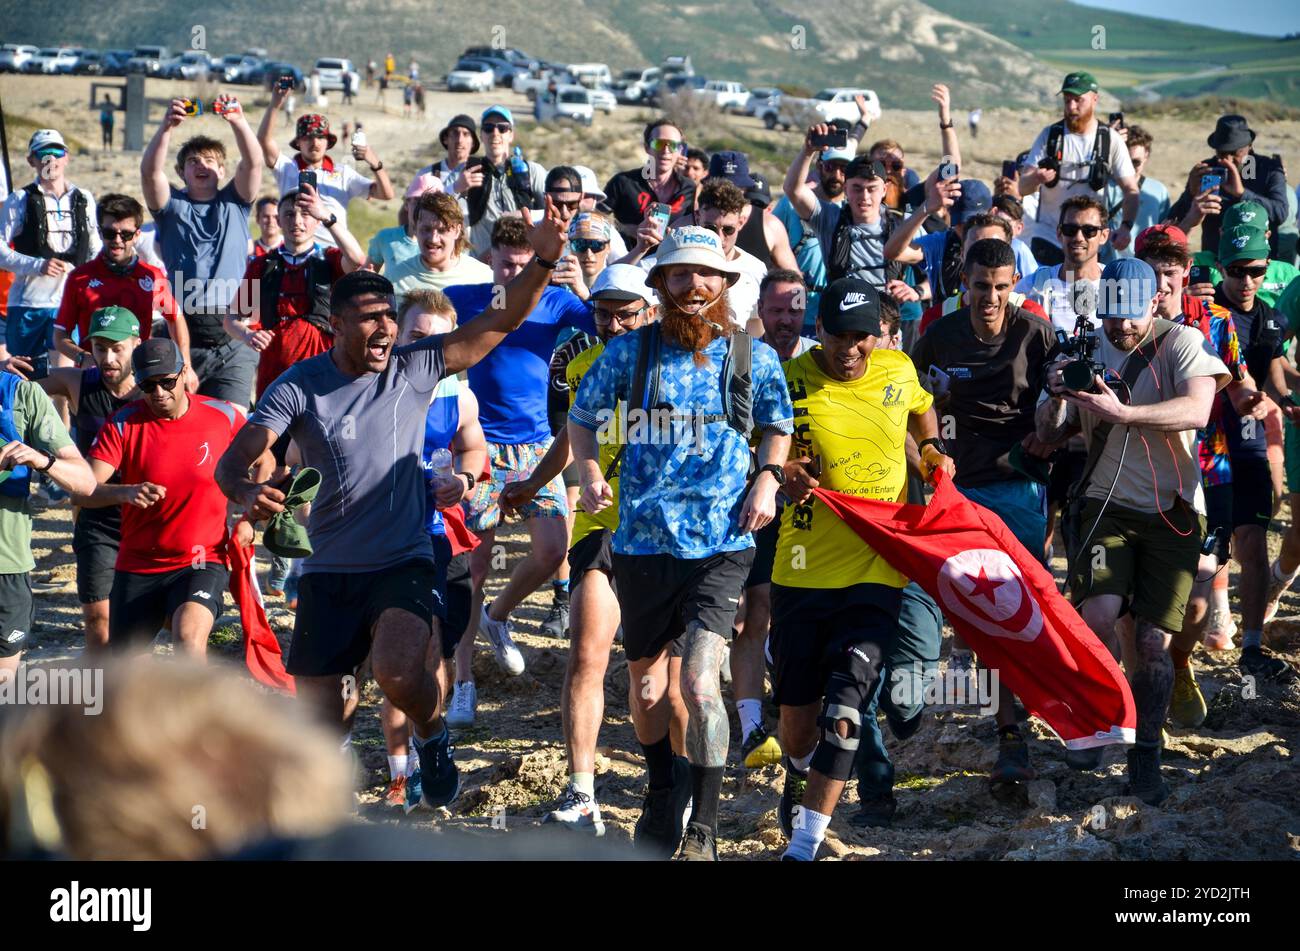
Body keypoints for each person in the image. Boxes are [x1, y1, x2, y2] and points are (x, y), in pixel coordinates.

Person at [213, 202, 571, 811]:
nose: (383, 329)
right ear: (336, 326)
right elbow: (236, 456)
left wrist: (543, 258)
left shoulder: (417, 366)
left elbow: (503, 317)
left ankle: (432, 737)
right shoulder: (299, 385)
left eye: (387, 316)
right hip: (327, 567)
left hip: (402, 558)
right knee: (322, 717)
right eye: (369, 319)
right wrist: (244, 490)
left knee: (399, 671)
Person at [569, 226, 794, 860]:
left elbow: (777, 426)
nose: (693, 286)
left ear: (724, 284)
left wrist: (768, 481)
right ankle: (661, 787)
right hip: (642, 540)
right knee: (646, 692)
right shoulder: (629, 353)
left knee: (699, 682)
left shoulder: (753, 357)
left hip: (723, 541)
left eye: (705, 275)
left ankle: (706, 826)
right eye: (679, 275)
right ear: (661, 285)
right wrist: (588, 473)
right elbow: (582, 422)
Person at [1036, 257, 1231, 803]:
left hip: (1171, 509)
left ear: (1153, 301)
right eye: (1110, 315)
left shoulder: (1182, 343)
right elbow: (1048, 432)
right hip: (1106, 505)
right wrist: (1056, 396)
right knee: (1095, 617)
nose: (1119, 327)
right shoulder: (1086, 349)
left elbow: (1198, 409)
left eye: (1129, 315)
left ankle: (1146, 752)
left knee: (1152, 641)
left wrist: (1122, 413)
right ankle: (1096, 723)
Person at [770, 278, 953, 860]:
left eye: (861, 337)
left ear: (877, 335)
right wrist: (785, 474)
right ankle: (798, 773)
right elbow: (767, 450)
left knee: (849, 704)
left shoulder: (898, 369)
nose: (849, 349)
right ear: (816, 330)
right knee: (798, 722)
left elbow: (924, 412)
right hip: (801, 570)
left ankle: (806, 843)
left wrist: (929, 453)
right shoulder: (790, 378)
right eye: (837, 336)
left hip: (878, 566)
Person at [502, 264, 679, 834]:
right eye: (603, 312)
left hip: (666, 530)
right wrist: (533, 484)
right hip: (600, 526)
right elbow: (570, 436)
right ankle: (582, 795)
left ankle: (674, 786)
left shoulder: (680, 362)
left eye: (625, 312)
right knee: (586, 655)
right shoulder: (581, 365)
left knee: (663, 677)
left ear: (648, 309)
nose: (613, 323)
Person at [911, 239, 1057, 782]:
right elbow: (904, 407)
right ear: (964, 285)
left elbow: (1062, 407)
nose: (990, 297)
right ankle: (1008, 728)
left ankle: (1024, 713)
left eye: (1000, 287)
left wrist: (1052, 432)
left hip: (1021, 485)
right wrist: (928, 458)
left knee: (1024, 605)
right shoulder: (939, 337)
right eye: (979, 286)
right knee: (981, 609)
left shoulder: (1036, 334)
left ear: (1014, 283)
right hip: (960, 487)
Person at [442, 215, 595, 720]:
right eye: (506, 263)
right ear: (490, 259)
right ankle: (463, 681)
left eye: (524, 263)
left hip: (535, 445)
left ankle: (498, 616)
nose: (514, 273)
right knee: (474, 567)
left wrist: (583, 282)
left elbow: (610, 325)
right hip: (477, 446)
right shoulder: (463, 297)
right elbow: (423, 340)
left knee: (554, 552)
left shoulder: (556, 298)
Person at [1128, 229, 1258, 726]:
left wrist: (1256, 401)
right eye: (1151, 272)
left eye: (1169, 272)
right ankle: (1141, 695)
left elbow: (1241, 384)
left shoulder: (1217, 323)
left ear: (1186, 273)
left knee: (1198, 605)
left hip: (1208, 469)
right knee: (1136, 600)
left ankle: (1180, 663)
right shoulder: (1123, 326)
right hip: (1140, 471)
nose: (1160, 284)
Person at [383, 289, 487, 809]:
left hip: (434, 534)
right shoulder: (371, 386)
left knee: (430, 649)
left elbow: (473, 445)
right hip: (371, 537)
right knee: (380, 657)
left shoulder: (458, 393)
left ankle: (426, 757)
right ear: (396, 335)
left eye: (437, 338)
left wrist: (465, 480)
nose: (426, 347)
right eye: (415, 336)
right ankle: (398, 770)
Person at [85, 338, 245, 655]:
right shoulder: (122, 423)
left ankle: (199, 706)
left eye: (167, 382)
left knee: (188, 638)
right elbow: (85, 491)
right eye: (148, 385)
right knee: (122, 668)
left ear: (184, 373)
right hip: (139, 563)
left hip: (201, 558)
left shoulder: (223, 416)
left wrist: (251, 513)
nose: (158, 393)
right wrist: (126, 492)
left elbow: (264, 458)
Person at [1207, 225, 1300, 682]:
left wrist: (1285, 402)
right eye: (1238, 271)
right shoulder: (1203, 315)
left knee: (1254, 544)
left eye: (1257, 271)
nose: (1247, 281)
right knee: (1206, 553)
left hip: (1248, 446)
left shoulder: (1271, 320)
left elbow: (1277, 379)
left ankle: (1252, 646)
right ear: (1221, 268)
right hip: (1205, 449)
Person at [141, 94, 262, 412]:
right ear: (181, 172)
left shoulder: (237, 202)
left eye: (210, 160)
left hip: (239, 324)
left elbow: (254, 162)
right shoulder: (170, 208)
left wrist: (238, 120)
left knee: (233, 420)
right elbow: (150, 173)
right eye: (193, 161)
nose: (202, 165)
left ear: (223, 171)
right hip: (184, 328)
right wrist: (166, 126)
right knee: (182, 419)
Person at [32, 306, 141, 650]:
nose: (107, 358)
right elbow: (20, 387)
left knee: (148, 622)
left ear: (137, 344)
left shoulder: (159, 388)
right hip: (96, 512)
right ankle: (100, 697)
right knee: (98, 619)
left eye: (117, 348)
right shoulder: (77, 382)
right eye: (99, 348)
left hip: (147, 512)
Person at [0, 365, 97, 679]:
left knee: (3, 686)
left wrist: (42, 460)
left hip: (7, 563)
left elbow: (85, 480)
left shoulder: (21, 393)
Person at [225, 185, 365, 403]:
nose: (297, 221)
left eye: (306, 214)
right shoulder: (262, 265)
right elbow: (231, 318)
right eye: (289, 214)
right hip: (274, 374)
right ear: (278, 221)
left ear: (317, 220)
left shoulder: (329, 259)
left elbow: (357, 259)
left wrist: (328, 216)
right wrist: (247, 334)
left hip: (324, 371)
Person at [0, 129, 102, 382]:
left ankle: (63, 424)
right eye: (43, 153)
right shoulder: (19, 199)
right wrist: (38, 266)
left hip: (68, 302)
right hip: (27, 304)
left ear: (66, 157)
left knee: (64, 378)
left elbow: (96, 247)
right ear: (31, 160)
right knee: (23, 378)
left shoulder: (84, 198)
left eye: (56, 151)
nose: (50, 159)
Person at [51, 193, 189, 371]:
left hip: (138, 375)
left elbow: (175, 317)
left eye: (125, 234)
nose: (117, 240)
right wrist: (82, 357)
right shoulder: (79, 278)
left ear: (137, 235)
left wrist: (185, 362)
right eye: (110, 233)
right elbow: (60, 334)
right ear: (100, 233)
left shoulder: (152, 276)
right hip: (95, 374)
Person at [1015, 72, 1140, 266]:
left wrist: (1126, 227)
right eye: (1067, 100)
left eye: (1078, 100)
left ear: (1094, 99)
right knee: (1047, 291)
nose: (1071, 107)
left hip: (1088, 237)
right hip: (1049, 235)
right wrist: (1037, 178)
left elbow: (1131, 190)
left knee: (1083, 291)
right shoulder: (1050, 136)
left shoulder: (1109, 140)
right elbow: (1023, 187)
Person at [783, 133, 914, 309]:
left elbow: (936, 255)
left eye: (872, 189)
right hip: (841, 318)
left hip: (884, 319)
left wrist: (918, 291)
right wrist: (808, 151)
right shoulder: (829, 218)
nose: (864, 197)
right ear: (846, 189)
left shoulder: (902, 223)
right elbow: (793, 190)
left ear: (884, 189)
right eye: (857, 188)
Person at [257, 102, 394, 246]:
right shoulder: (286, 168)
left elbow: (386, 194)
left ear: (328, 143)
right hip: (297, 253)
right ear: (298, 142)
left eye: (320, 137)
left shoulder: (343, 173)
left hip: (335, 254)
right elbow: (264, 139)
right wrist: (275, 102)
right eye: (308, 137)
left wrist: (374, 162)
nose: (315, 143)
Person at [1169, 115, 1291, 259]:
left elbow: (1280, 213)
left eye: (1235, 153)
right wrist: (1191, 193)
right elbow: (1173, 220)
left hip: (1260, 262)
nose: (1228, 160)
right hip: (1216, 260)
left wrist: (1242, 193)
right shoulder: (1207, 170)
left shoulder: (1269, 169)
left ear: (1249, 146)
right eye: (1222, 153)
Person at [771, 143, 850, 326]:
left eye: (844, 169)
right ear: (820, 167)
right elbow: (769, 244)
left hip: (838, 302)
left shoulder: (853, 212)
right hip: (796, 295)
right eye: (831, 167)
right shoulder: (790, 205)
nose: (837, 175)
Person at [461, 106, 547, 256]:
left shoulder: (532, 171)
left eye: (502, 128)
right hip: (482, 266)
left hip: (523, 265)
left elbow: (555, 212)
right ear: (481, 135)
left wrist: (525, 215)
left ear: (511, 135)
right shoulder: (467, 171)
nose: (495, 133)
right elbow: (445, 211)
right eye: (488, 128)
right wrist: (457, 188)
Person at [387, 192, 492, 305]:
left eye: (442, 230)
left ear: (457, 231)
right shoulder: (395, 278)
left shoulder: (483, 277)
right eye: (426, 229)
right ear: (415, 229)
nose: (433, 239)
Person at [603, 118, 697, 243]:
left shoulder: (689, 188)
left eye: (673, 145)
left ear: (680, 150)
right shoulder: (622, 182)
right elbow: (597, 216)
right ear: (647, 147)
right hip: (627, 259)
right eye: (659, 144)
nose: (666, 150)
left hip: (670, 259)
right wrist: (625, 228)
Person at [706, 150, 799, 273]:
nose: (726, 193)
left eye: (735, 187)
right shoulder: (689, 223)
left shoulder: (770, 225)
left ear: (745, 187)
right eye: (719, 187)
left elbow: (793, 279)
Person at [1102, 125, 1170, 260]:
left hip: (1142, 268)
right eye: (1124, 162)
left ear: (1147, 155)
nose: (1130, 169)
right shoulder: (1101, 187)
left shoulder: (1158, 191)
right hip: (1103, 266)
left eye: (1135, 162)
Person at [365, 173, 439, 274]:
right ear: (406, 204)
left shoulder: (446, 243)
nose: (422, 208)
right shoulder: (386, 238)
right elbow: (368, 273)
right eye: (417, 201)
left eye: (430, 202)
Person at [417, 114, 479, 200]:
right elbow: (412, 209)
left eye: (466, 134)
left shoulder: (481, 177)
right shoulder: (426, 175)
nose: (459, 140)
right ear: (445, 139)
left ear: (473, 143)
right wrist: (455, 188)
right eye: (455, 133)